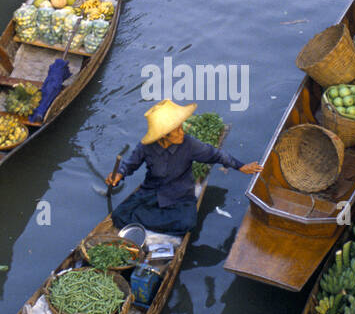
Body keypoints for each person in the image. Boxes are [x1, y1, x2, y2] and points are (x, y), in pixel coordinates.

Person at [106, 99, 262, 234]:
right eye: (177, 131)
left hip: (179, 196)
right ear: (163, 136)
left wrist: (241, 167)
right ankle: (148, 222)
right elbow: (130, 164)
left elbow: (216, 155)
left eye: (181, 127)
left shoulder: (189, 144)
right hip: (151, 192)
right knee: (118, 215)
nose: (182, 132)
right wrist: (119, 174)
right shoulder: (146, 147)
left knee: (187, 223)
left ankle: (141, 222)